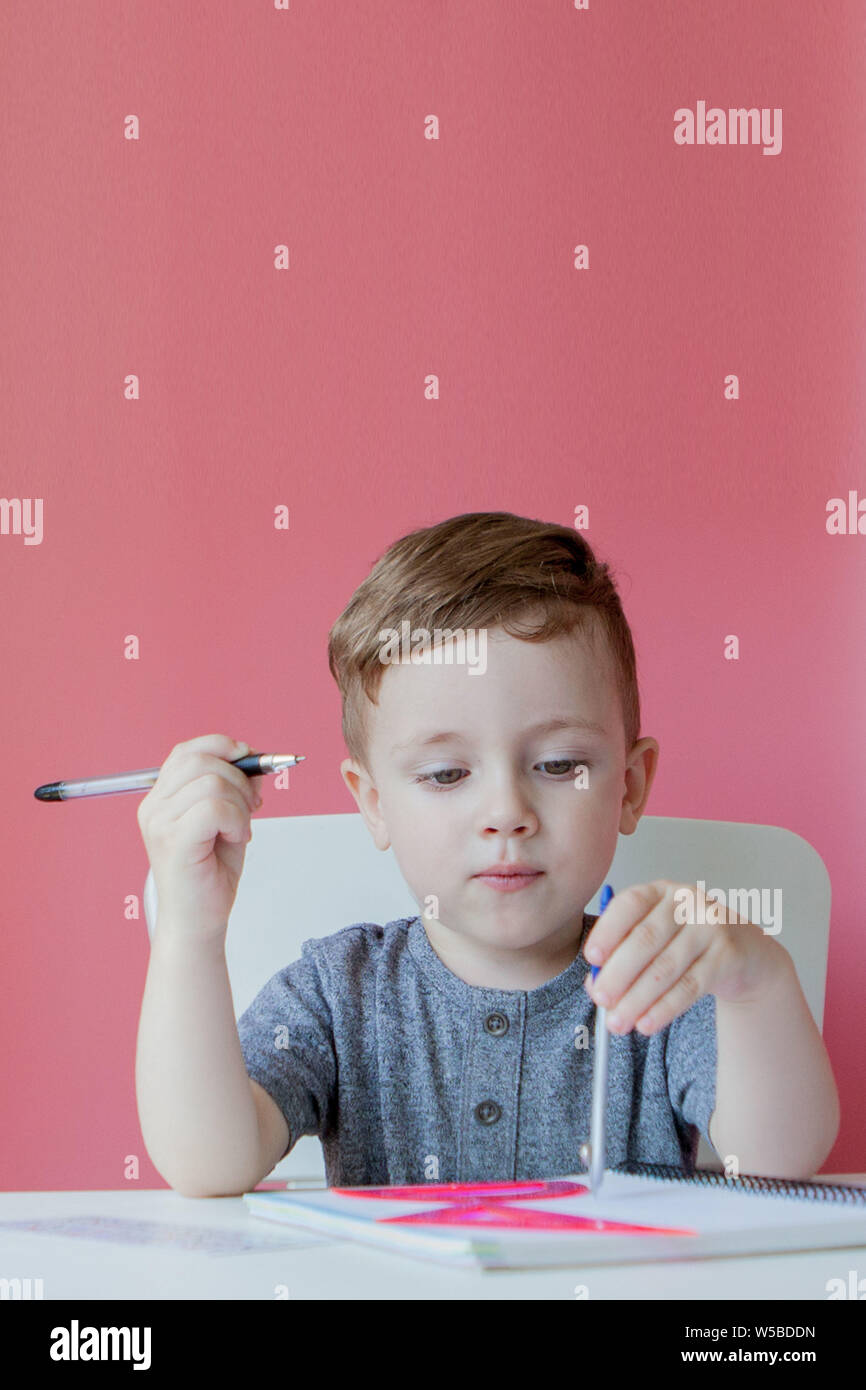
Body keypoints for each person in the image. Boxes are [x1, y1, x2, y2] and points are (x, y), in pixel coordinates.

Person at [135, 511, 839, 1195]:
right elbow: (209, 1162)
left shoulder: (660, 980)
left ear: (627, 786)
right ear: (375, 803)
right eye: (447, 774)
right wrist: (189, 931)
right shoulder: (337, 991)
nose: (507, 813)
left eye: (561, 765)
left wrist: (757, 981)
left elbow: (775, 1161)